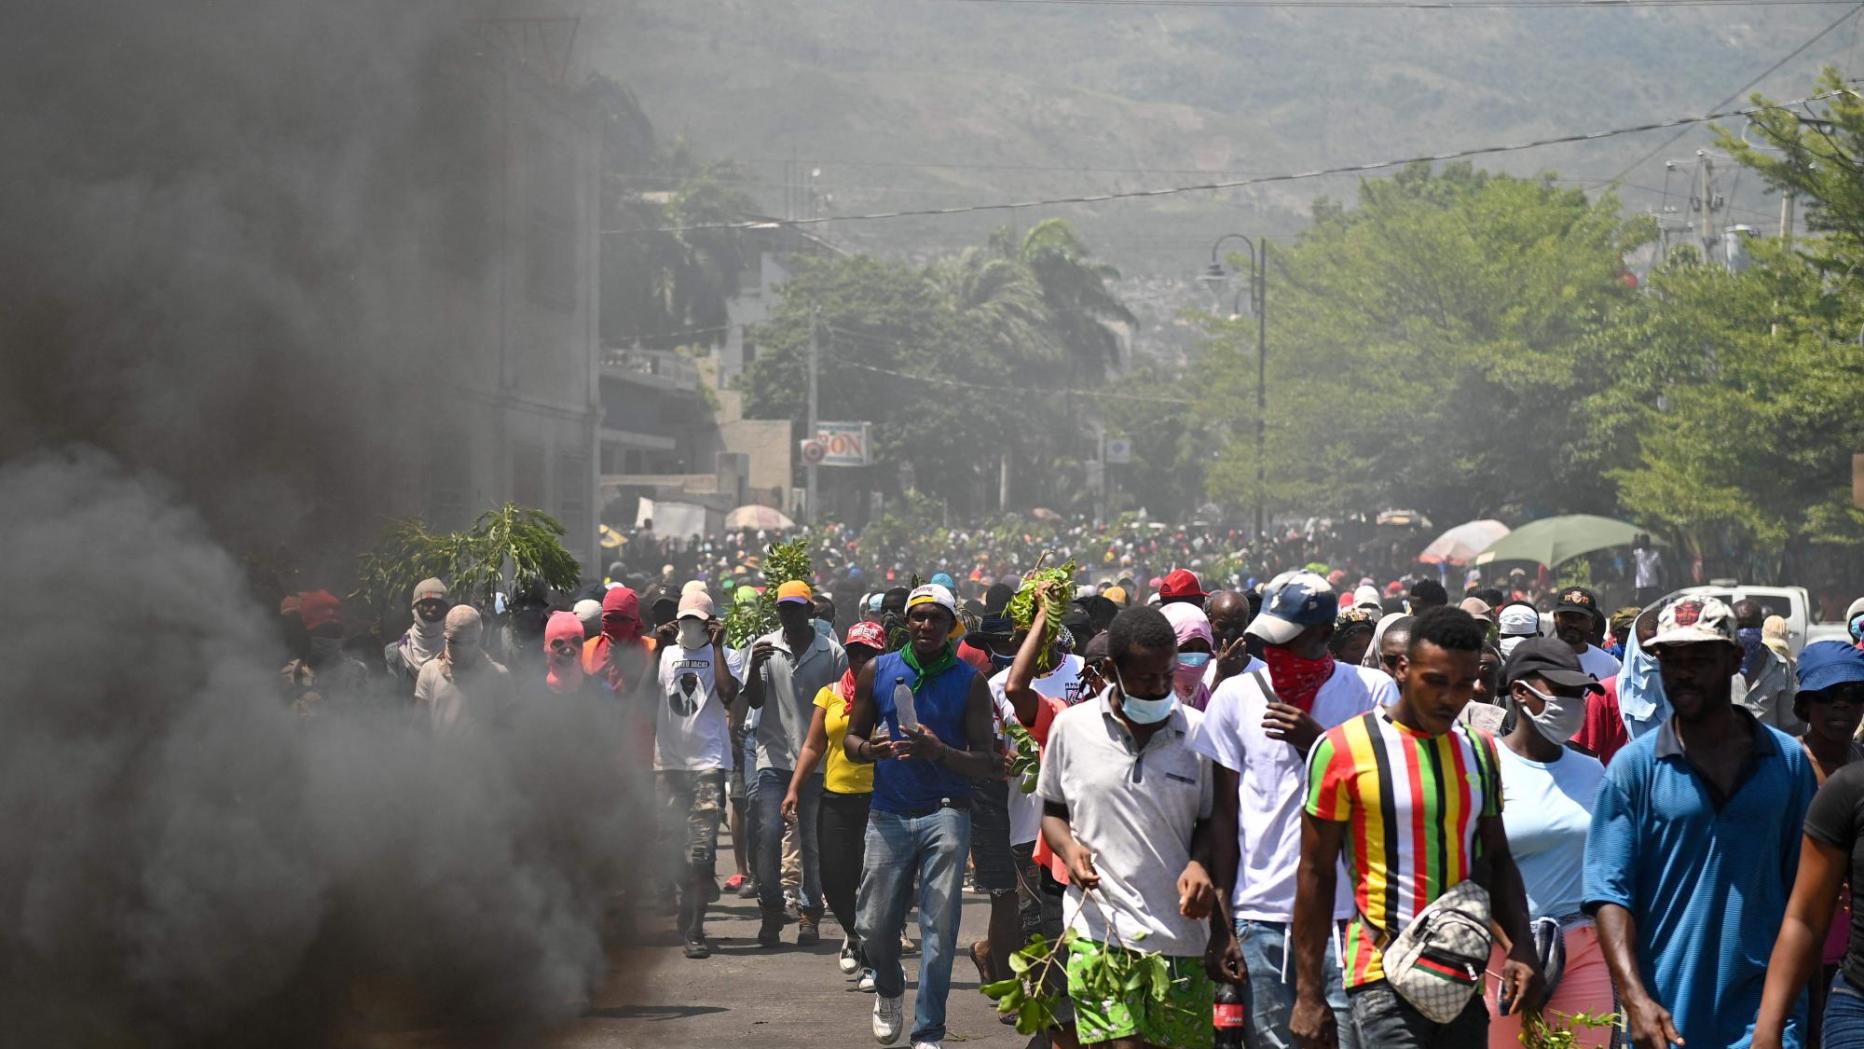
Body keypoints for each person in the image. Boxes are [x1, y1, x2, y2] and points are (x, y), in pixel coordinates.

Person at [1294, 606, 1544, 1049]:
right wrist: (1308, 992)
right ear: (1403, 669)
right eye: (1436, 681)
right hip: (1380, 974)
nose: (1451, 698)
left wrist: (1521, 945)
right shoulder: (1343, 748)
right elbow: (1315, 872)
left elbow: (1497, 858)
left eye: (1464, 684)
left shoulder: (1480, 751)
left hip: (1461, 973)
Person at [1584, 595, 1816, 1049]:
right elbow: (1610, 894)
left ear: (1733, 659)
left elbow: (1805, 900)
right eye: (1671, 659)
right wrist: (1635, 1001)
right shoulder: (1634, 769)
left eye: (1699, 658)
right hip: (1666, 1019)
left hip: (1766, 1020)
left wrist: (1793, 1019)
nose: (1683, 672)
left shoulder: (1786, 763)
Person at [1191, 571, 1396, 1049]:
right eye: (1269, 640)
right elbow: (1224, 817)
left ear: (1324, 636)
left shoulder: (1374, 693)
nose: (1275, 654)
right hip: (1261, 918)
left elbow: (1384, 801)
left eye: (1288, 641)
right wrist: (1223, 924)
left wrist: (1318, 744)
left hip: (1352, 920)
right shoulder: (1235, 696)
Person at [1039, 605, 1233, 1049]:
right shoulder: (1072, 729)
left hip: (1181, 936)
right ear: (1112, 670)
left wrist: (1201, 864)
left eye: (1167, 676)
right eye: (1147, 680)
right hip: (1098, 929)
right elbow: (1053, 811)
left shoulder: (1198, 734)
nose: (1161, 689)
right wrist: (1069, 851)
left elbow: (1215, 820)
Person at [844, 583, 1000, 1048]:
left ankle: (928, 1031)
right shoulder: (878, 670)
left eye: (937, 619)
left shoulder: (969, 682)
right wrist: (870, 749)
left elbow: (985, 761)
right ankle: (889, 988)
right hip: (888, 813)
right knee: (871, 926)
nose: (927, 626)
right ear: (906, 623)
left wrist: (940, 752)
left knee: (939, 929)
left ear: (951, 627)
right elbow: (853, 739)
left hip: (946, 812)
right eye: (919, 618)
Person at [1484, 638, 1612, 1049]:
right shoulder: (1485, 763)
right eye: (1563, 691)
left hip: (1582, 951)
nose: (1574, 703)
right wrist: (1515, 948)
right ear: (1521, 692)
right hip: (1501, 956)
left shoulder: (1592, 770)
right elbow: (1472, 869)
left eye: (1580, 693)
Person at [1753, 642, 1864, 1049]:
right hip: (1790, 930)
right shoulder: (1780, 767)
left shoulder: (1861, 768)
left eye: (1854, 697)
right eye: (1828, 697)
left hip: (1851, 947)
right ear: (1804, 705)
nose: (1842, 708)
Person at [997, 594, 1089, 1049]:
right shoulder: (1067, 721)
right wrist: (1041, 621)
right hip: (1064, 877)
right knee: (1061, 989)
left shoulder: (1174, 726)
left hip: (1133, 885)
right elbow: (1016, 688)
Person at [783, 621, 887, 986]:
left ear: (880, 656)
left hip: (880, 802)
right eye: (854, 652)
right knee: (834, 881)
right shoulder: (828, 694)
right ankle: (854, 934)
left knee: (873, 882)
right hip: (836, 799)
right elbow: (813, 746)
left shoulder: (889, 694)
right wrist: (794, 788)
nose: (859, 660)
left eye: (868, 654)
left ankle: (874, 960)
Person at [745, 579, 847, 948]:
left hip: (818, 763)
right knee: (769, 834)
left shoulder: (831, 653)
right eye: (782, 608)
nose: (788, 615)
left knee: (814, 842)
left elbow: (840, 707)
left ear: (809, 611)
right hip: (773, 757)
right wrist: (754, 670)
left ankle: (810, 913)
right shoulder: (766, 648)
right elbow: (754, 702)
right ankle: (771, 909)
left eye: (794, 608)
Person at [649, 589, 740, 958]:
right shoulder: (667, 655)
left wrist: (717, 648)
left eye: (697, 622)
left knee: (701, 854)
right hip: (669, 766)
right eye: (684, 620)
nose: (690, 628)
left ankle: (695, 928)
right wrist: (657, 647)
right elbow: (641, 697)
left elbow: (728, 693)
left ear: (710, 624)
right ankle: (685, 909)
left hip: (707, 764)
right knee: (669, 849)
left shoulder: (725, 655)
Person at [414, 605, 516, 732]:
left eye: (468, 642)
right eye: (455, 642)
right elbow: (420, 726)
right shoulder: (430, 672)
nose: (461, 649)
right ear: (445, 636)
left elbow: (509, 728)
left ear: (479, 636)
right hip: (441, 752)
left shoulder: (498, 675)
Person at [281, 589, 371, 715]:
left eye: (335, 632)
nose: (330, 638)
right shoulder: (293, 674)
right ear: (308, 634)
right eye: (322, 631)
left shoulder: (356, 670)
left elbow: (366, 718)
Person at [1735, 598, 1800, 735]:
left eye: (1751, 626)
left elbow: (1790, 724)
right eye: (1740, 627)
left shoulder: (1782, 668)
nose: (1746, 632)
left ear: (1761, 625)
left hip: (1769, 750)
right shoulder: (1723, 667)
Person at [383, 578, 449, 696]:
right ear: (415, 607)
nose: (433, 609)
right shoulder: (395, 653)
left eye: (438, 604)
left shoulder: (453, 652)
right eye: (427, 603)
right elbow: (390, 701)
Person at [1550, 588, 1621, 683]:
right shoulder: (1538, 659)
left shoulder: (1611, 665)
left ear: (1592, 622)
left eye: (1581, 618)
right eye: (1567, 616)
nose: (1573, 624)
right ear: (1555, 617)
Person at [1632, 533, 1663, 608]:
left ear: (1649, 542)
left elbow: (1658, 569)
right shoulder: (1637, 553)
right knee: (1641, 605)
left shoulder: (1655, 554)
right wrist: (1633, 542)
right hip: (1640, 585)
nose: (1644, 543)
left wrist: (1660, 583)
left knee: (1653, 605)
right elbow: (1630, 559)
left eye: (1646, 541)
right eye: (1642, 541)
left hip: (1652, 584)